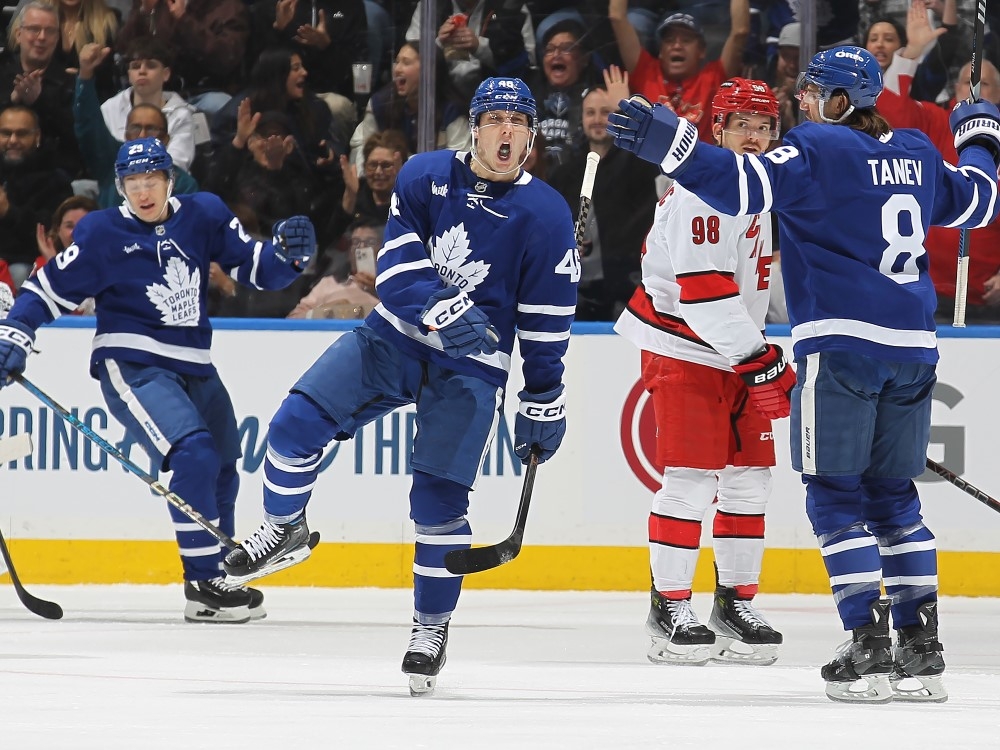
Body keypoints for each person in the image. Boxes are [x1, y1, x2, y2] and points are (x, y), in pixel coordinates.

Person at [607, 46, 1000, 703]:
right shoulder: (917, 152)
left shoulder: (816, 148)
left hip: (842, 350)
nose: (803, 107)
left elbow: (735, 184)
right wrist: (980, 132)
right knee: (896, 499)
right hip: (913, 349)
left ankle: (868, 644)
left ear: (843, 100)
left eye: (814, 94)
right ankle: (922, 650)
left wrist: (667, 141)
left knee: (835, 497)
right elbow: (981, 202)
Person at [222, 76, 578, 695]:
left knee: (438, 503)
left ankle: (429, 627)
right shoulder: (425, 174)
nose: (507, 132)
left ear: (530, 138)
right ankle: (284, 527)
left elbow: (546, 318)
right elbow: (396, 264)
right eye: (495, 120)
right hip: (391, 339)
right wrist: (437, 306)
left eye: (519, 123)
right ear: (474, 127)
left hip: (472, 368)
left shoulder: (546, 214)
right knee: (292, 426)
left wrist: (542, 396)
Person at [0, 138, 317, 623]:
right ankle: (202, 579)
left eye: (151, 181)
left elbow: (255, 269)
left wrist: (289, 260)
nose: (142, 192)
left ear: (171, 180)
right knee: (194, 454)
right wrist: (16, 333)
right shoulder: (102, 231)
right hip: (131, 361)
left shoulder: (204, 213)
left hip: (195, 362)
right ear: (120, 186)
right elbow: (47, 289)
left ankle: (217, 576)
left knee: (225, 464)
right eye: (132, 183)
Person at [614, 77, 786, 666]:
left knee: (749, 479)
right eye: (744, 126)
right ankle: (669, 604)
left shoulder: (757, 192)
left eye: (766, 128)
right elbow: (705, 295)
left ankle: (734, 602)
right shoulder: (698, 193)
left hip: (736, 350)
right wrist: (761, 362)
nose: (757, 138)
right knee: (689, 477)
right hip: (684, 348)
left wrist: (761, 354)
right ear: (718, 129)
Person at [548, 66, 659, 321]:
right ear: (581, 118)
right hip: (580, 289)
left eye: (606, 112)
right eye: (591, 113)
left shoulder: (637, 162)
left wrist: (626, 110)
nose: (598, 119)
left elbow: (657, 146)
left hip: (631, 284)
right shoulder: (565, 172)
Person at [608, 0, 751, 143]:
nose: (677, 45)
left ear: (702, 51)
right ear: (661, 51)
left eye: (686, 40)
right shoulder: (646, 72)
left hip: (700, 163)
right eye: (669, 40)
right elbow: (617, 17)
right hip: (649, 164)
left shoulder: (715, 77)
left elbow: (740, 31)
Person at [0, 104, 74, 288]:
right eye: (6, 133)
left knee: (19, 273)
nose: (13, 140)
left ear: (37, 136)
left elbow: (53, 233)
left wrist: (8, 211)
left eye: (22, 134)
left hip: (25, 262)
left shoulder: (56, 180)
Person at [100, 37, 197, 172]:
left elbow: (177, 164)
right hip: (116, 182)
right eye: (135, 66)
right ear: (129, 75)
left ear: (166, 74)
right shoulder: (109, 108)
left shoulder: (182, 115)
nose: (142, 71)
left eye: (151, 65)